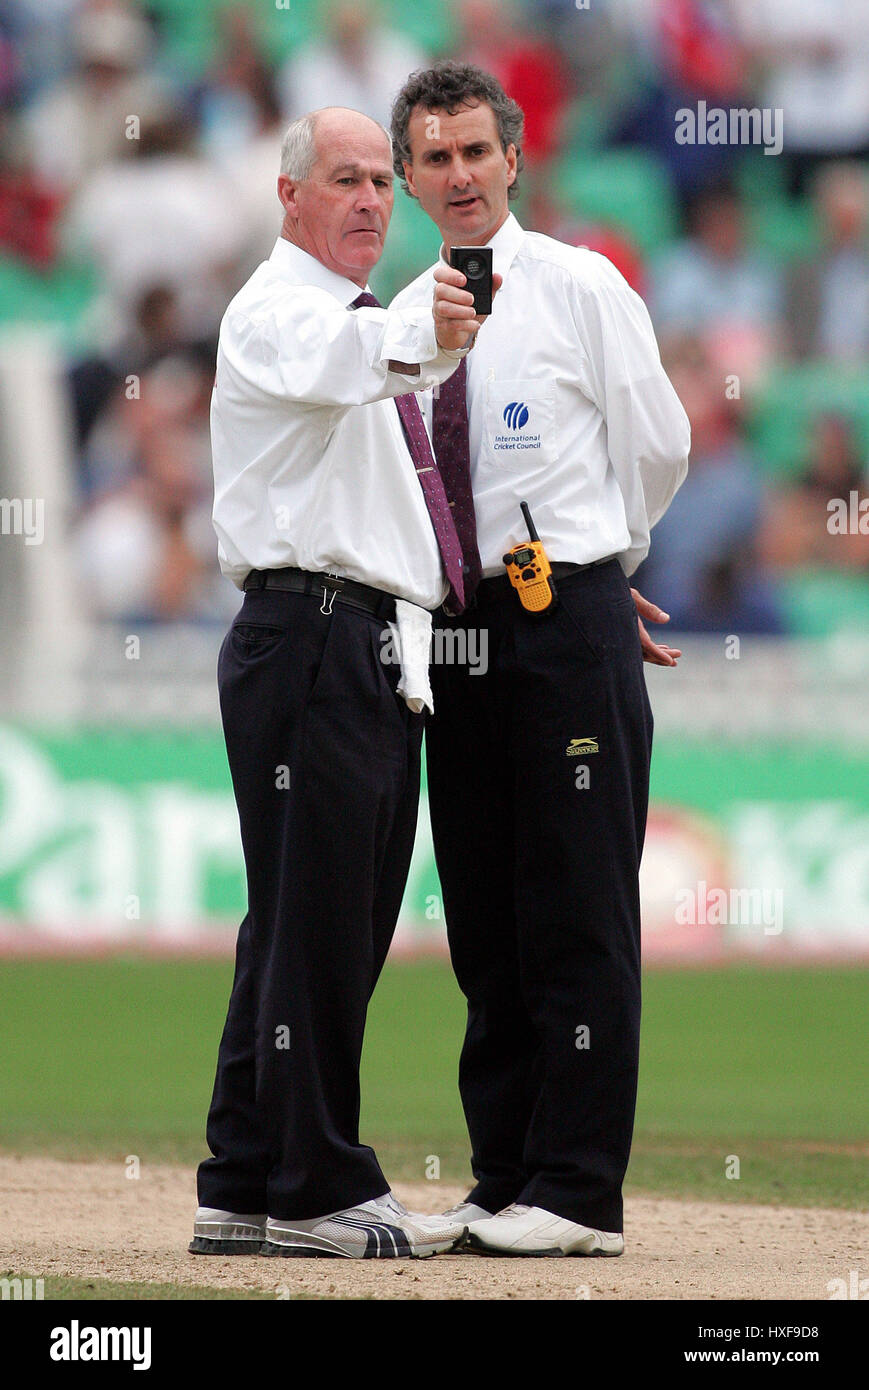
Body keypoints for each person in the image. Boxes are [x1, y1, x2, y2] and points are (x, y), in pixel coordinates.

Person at [389, 61, 690, 1256]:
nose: (457, 175)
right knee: (484, 915)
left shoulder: (574, 283)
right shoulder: (403, 312)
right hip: (453, 629)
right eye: (434, 158)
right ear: (410, 179)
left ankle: (577, 1192)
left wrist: (593, 565)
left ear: (513, 158)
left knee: (575, 907)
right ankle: (503, 1173)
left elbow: (656, 443)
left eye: (475, 151)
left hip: (560, 616)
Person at [191, 105, 491, 1260]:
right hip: (312, 628)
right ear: (289, 197)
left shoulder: (351, 318)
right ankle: (316, 1181)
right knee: (322, 920)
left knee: (298, 916)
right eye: (347, 180)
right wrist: (433, 308)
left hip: (353, 637)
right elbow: (355, 362)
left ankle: (244, 1172)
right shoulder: (281, 312)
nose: (371, 199)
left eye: (382, 181)